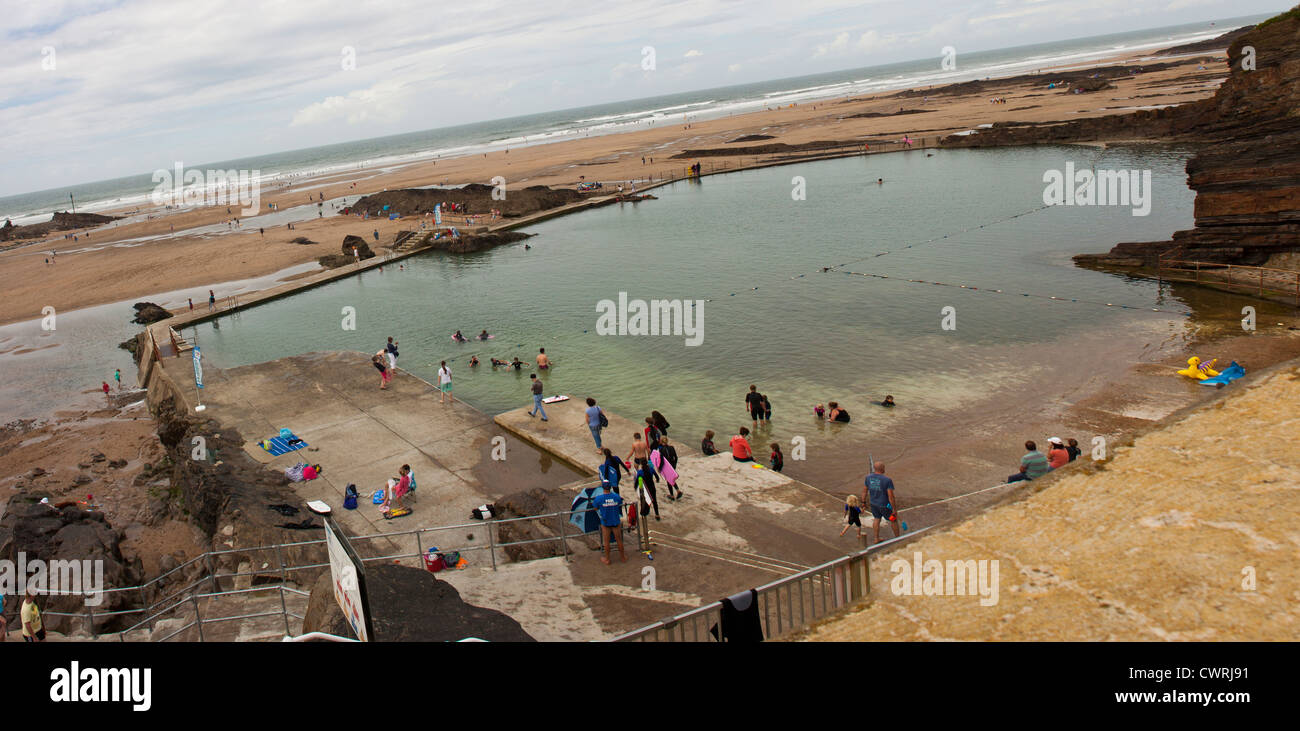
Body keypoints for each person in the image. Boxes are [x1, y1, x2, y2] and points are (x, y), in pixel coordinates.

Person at [863, 462, 900, 543]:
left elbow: (864, 491)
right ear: (882, 469)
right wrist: (894, 509)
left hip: (873, 504)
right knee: (893, 520)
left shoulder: (868, 477)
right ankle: (898, 538)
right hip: (885, 506)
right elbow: (891, 496)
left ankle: (876, 538)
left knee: (877, 519)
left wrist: (864, 502)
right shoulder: (887, 480)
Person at [592, 485, 627, 565]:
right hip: (615, 521)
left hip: (605, 522)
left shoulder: (599, 498)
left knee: (606, 541)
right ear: (610, 487)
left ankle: (607, 559)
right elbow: (619, 504)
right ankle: (623, 557)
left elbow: (595, 507)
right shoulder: (616, 496)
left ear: (603, 488)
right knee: (619, 540)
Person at [653, 436, 681, 500]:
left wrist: (659, 468)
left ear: (661, 442)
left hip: (666, 467)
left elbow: (662, 461)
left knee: (669, 481)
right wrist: (674, 465)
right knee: (671, 479)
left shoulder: (661, 450)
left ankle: (672, 495)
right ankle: (678, 491)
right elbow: (676, 457)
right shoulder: (672, 447)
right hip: (672, 465)